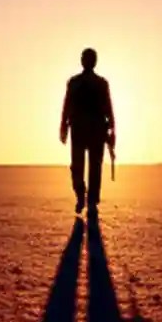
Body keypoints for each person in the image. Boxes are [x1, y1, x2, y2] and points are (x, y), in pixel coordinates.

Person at [60, 48, 115, 215]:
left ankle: (90, 200)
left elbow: (108, 107)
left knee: (93, 167)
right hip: (81, 129)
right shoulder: (75, 82)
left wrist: (112, 129)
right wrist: (63, 125)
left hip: (94, 130)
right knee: (81, 166)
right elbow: (67, 105)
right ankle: (84, 197)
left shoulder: (100, 83)